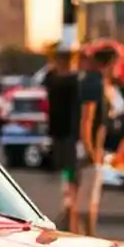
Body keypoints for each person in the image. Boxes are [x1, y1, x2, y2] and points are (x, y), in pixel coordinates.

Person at [74, 46, 120, 236]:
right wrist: (91, 151)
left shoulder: (98, 82)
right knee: (86, 199)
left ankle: (84, 235)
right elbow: (86, 120)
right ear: (108, 64)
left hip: (94, 148)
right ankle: (88, 236)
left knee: (86, 197)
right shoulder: (93, 83)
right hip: (89, 149)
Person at [42, 49, 81, 228]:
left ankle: (69, 209)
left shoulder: (53, 79)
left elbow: (47, 78)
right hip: (67, 132)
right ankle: (69, 209)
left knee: (68, 174)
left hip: (62, 132)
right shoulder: (74, 81)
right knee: (69, 174)